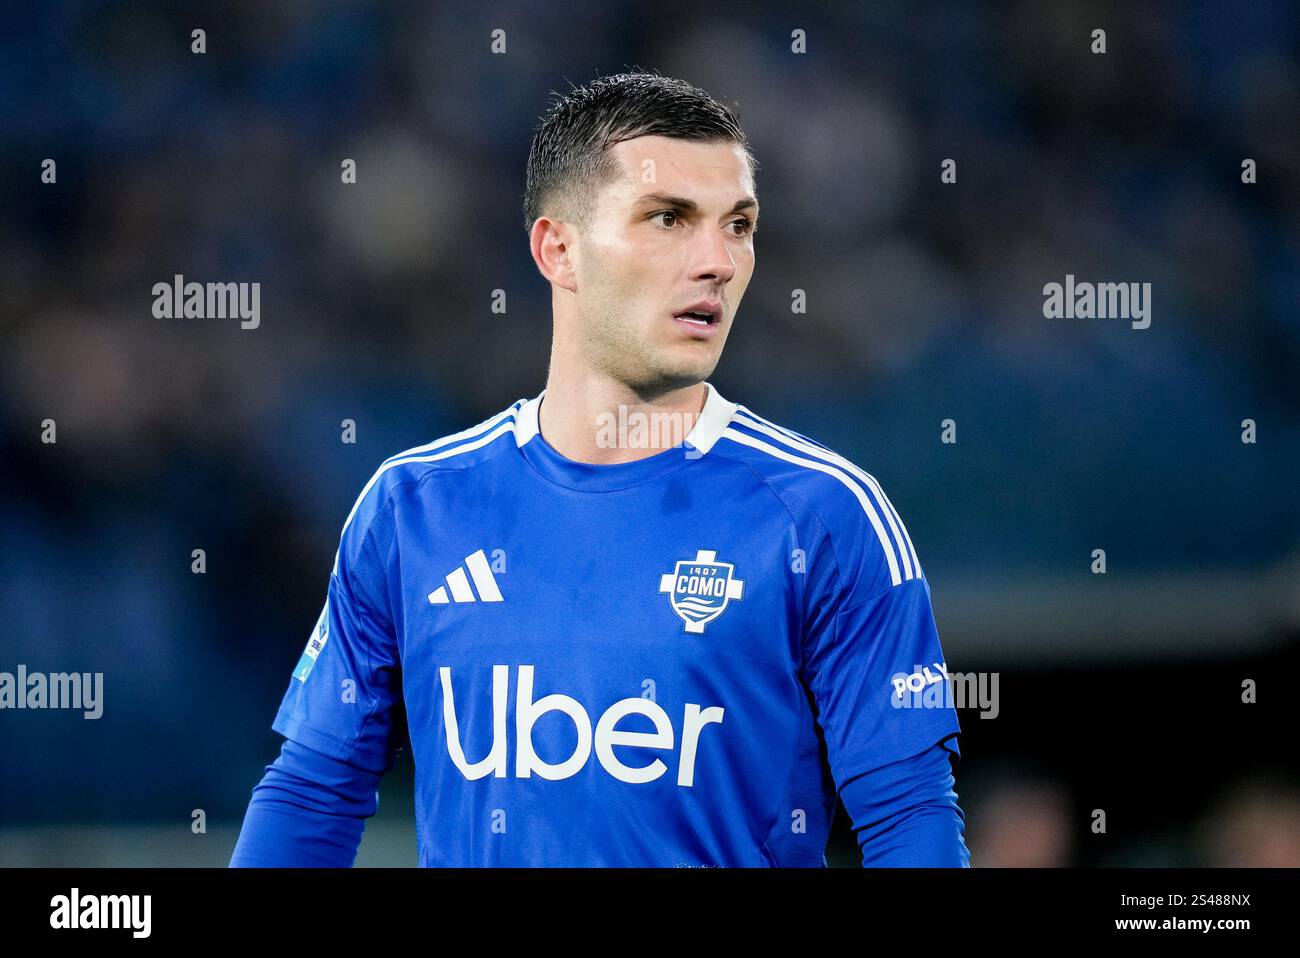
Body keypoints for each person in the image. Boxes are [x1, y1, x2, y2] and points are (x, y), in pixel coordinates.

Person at [230, 70, 968, 867]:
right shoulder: (413, 508)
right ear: (559, 250)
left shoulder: (824, 513)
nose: (718, 260)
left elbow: (907, 817)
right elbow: (314, 790)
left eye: (739, 225)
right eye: (668, 218)